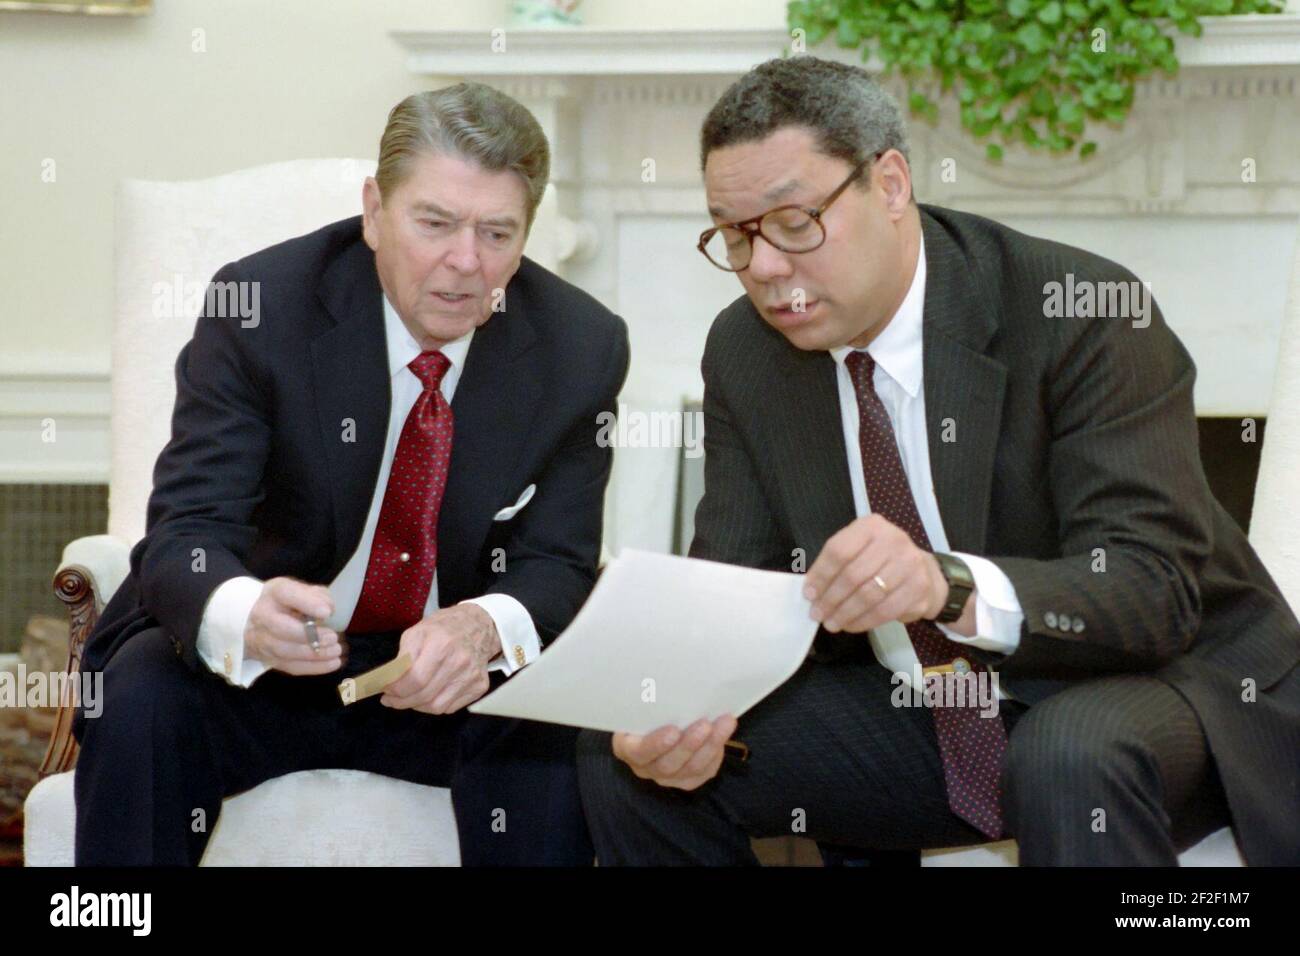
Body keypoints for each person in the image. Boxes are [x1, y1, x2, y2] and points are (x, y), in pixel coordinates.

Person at [576, 56, 1300, 866]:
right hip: (921, 705)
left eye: (792, 223)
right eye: (735, 235)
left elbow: (1149, 590)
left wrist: (945, 584)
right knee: (625, 758)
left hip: (1160, 686)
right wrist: (675, 704)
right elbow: (739, 586)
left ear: (889, 185)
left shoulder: (1083, 312)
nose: (767, 269)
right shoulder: (748, 352)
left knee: (1066, 752)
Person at [74, 82, 629, 866]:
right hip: (268, 665)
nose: (465, 263)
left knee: (548, 716)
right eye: (434, 223)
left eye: (498, 233)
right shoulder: (259, 306)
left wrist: (480, 629)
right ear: (374, 211)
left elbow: (559, 563)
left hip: (445, 681)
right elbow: (186, 535)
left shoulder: (580, 345)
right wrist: (244, 611)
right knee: (142, 694)